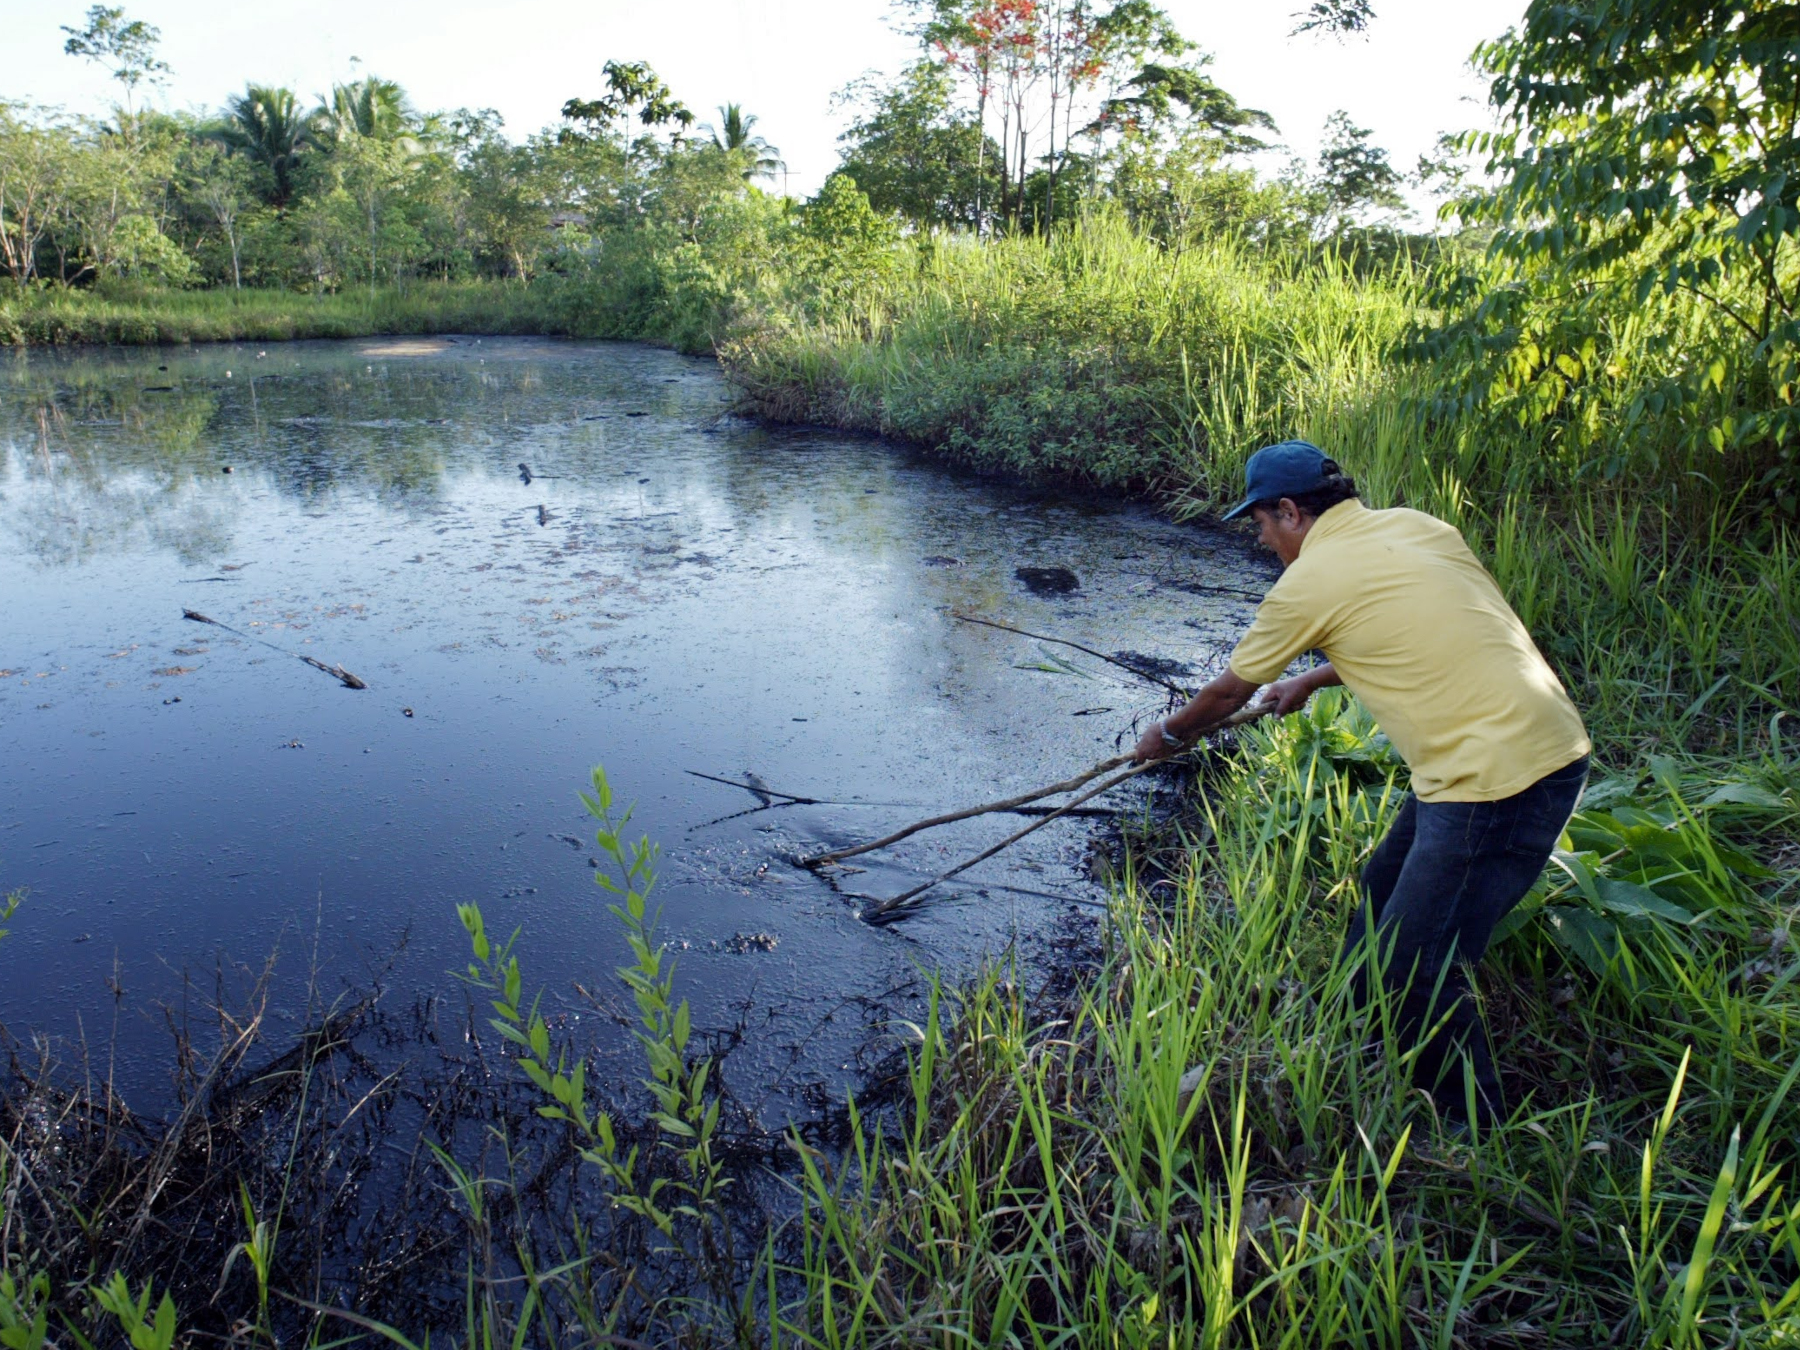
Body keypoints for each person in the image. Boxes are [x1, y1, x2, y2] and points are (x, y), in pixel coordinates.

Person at [1134, 439, 1590, 1126]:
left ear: (1290, 511)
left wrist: (1165, 738)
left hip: (1497, 782)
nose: (1262, 540)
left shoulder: (1309, 582)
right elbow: (1421, 628)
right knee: (1377, 905)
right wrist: (1311, 678)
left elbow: (1228, 695)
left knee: (1418, 967)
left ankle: (1477, 1128)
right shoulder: (1418, 527)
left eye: (1260, 523)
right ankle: (1354, 1044)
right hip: (1519, 751)